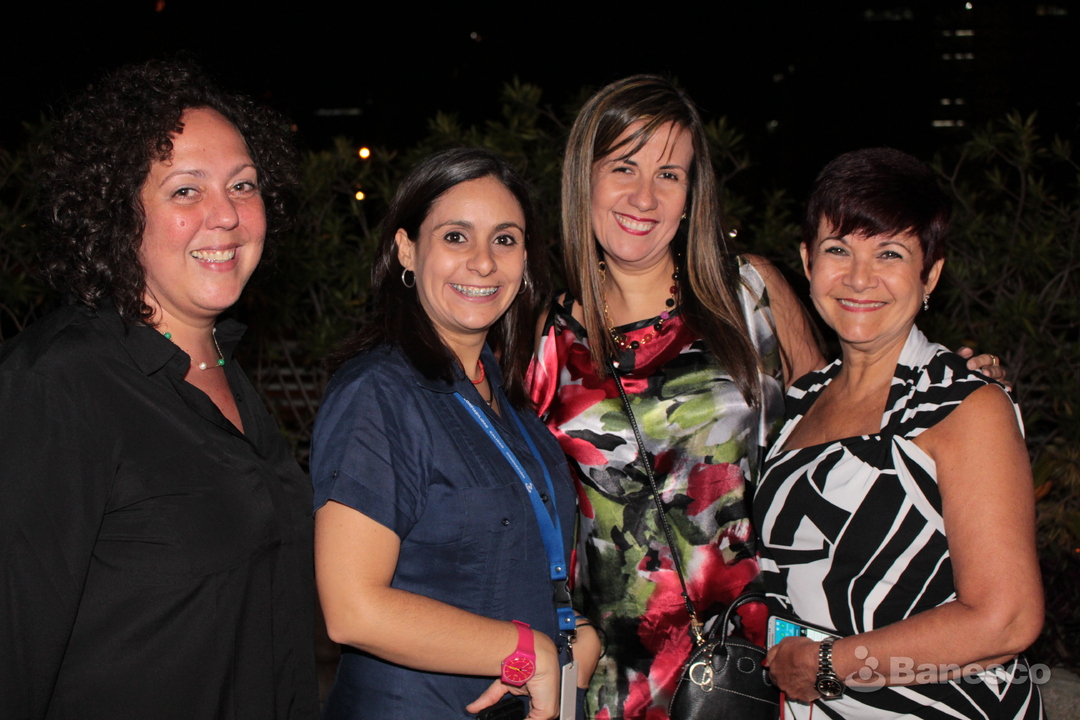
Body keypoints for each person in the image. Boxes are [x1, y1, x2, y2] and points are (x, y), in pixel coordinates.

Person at [527, 75, 1006, 720]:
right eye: (623, 166)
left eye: (669, 173)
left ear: (693, 192)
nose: (645, 195)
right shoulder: (543, 337)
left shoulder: (751, 296)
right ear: (583, 178)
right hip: (613, 677)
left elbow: (844, 419)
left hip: (763, 672)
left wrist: (957, 382)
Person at [0, 61, 318, 718]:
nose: (225, 215)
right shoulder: (58, 384)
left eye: (243, 185)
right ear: (118, 212)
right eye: (185, 191)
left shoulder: (229, 373)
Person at [311, 147, 599, 720]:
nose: (484, 263)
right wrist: (525, 652)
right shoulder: (379, 392)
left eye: (505, 239)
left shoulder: (504, 394)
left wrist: (576, 632)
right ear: (406, 250)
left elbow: (506, 558)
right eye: (456, 237)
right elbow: (352, 607)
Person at [755, 148, 1043, 719]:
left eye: (890, 253)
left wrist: (830, 664)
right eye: (838, 250)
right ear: (808, 261)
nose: (860, 278)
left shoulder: (961, 402)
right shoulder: (802, 398)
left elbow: (1006, 618)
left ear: (930, 272)